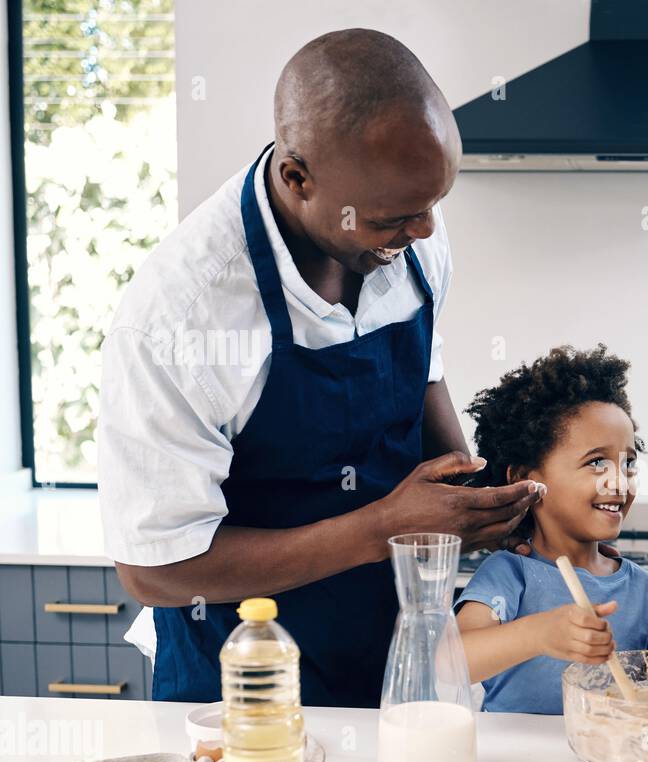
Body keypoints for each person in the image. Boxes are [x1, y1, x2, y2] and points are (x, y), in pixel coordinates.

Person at [98, 29, 540, 706]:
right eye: (398, 218)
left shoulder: (408, 231)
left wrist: (470, 487)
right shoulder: (182, 313)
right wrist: (381, 528)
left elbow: (420, 365)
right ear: (298, 178)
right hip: (237, 676)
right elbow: (154, 568)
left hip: (389, 649)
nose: (424, 231)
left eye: (433, 207)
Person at [454, 347, 648, 714]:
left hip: (609, 758)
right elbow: (450, 659)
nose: (619, 481)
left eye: (628, 463)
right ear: (525, 480)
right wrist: (539, 634)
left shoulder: (641, 586)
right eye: (597, 462)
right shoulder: (510, 573)